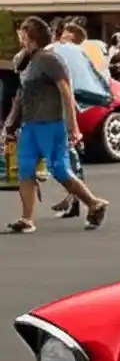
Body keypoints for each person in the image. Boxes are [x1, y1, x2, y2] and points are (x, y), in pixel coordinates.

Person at [2, 17, 109, 234]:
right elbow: (22, 95)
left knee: (60, 169)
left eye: (22, 31)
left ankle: (94, 203)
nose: (19, 35)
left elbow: (66, 91)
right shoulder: (29, 61)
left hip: (51, 123)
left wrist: (73, 125)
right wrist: (11, 122)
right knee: (25, 169)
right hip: (30, 124)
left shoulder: (50, 59)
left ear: (31, 35)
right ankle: (27, 219)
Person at [49, 21, 102, 220]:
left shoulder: (66, 53)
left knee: (68, 157)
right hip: (65, 109)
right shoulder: (77, 56)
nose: (61, 36)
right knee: (69, 157)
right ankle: (73, 200)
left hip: (61, 111)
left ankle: (80, 201)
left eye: (64, 33)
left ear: (71, 36)